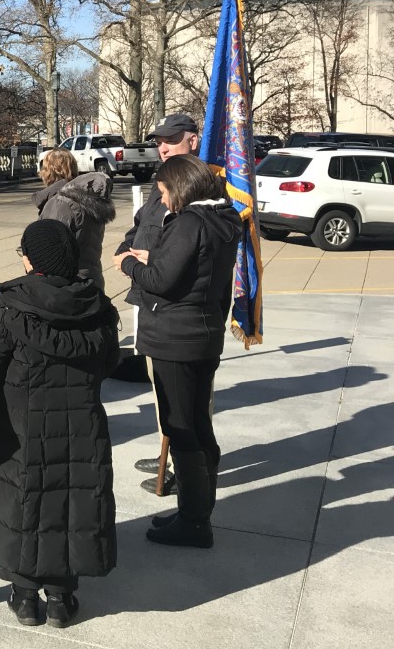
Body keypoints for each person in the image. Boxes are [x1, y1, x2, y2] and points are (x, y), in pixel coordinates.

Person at [0, 219, 120, 628]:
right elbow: (108, 363)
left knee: (25, 499)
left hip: (22, 422)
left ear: (32, 260)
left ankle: (24, 593)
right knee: (68, 499)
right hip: (80, 422)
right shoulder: (97, 306)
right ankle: (60, 596)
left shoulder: (12, 306)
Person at [114, 153, 241, 549]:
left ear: (181, 188)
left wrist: (130, 266)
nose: (163, 200)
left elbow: (163, 280)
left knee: (181, 428)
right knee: (199, 425)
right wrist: (155, 258)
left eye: (165, 191)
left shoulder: (188, 222)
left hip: (176, 337)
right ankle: (197, 510)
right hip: (203, 333)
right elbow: (196, 271)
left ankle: (194, 522)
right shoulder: (222, 219)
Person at [116, 112, 201, 492]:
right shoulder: (161, 183)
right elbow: (141, 226)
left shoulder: (199, 185)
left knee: (190, 404)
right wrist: (125, 250)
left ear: (193, 141)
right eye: (159, 141)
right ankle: (168, 447)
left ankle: (189, 470)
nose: (163, 147)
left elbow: (185, 248)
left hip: (177, 309)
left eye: (171, 139)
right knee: (160, 390)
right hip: (150, 299)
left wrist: (140, 262)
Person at [33, 148, 116, 289]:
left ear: (48, 171)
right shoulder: (88, 198)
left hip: (68, 285)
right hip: (91, 277)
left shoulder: (61, 203)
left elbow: (52, 251)